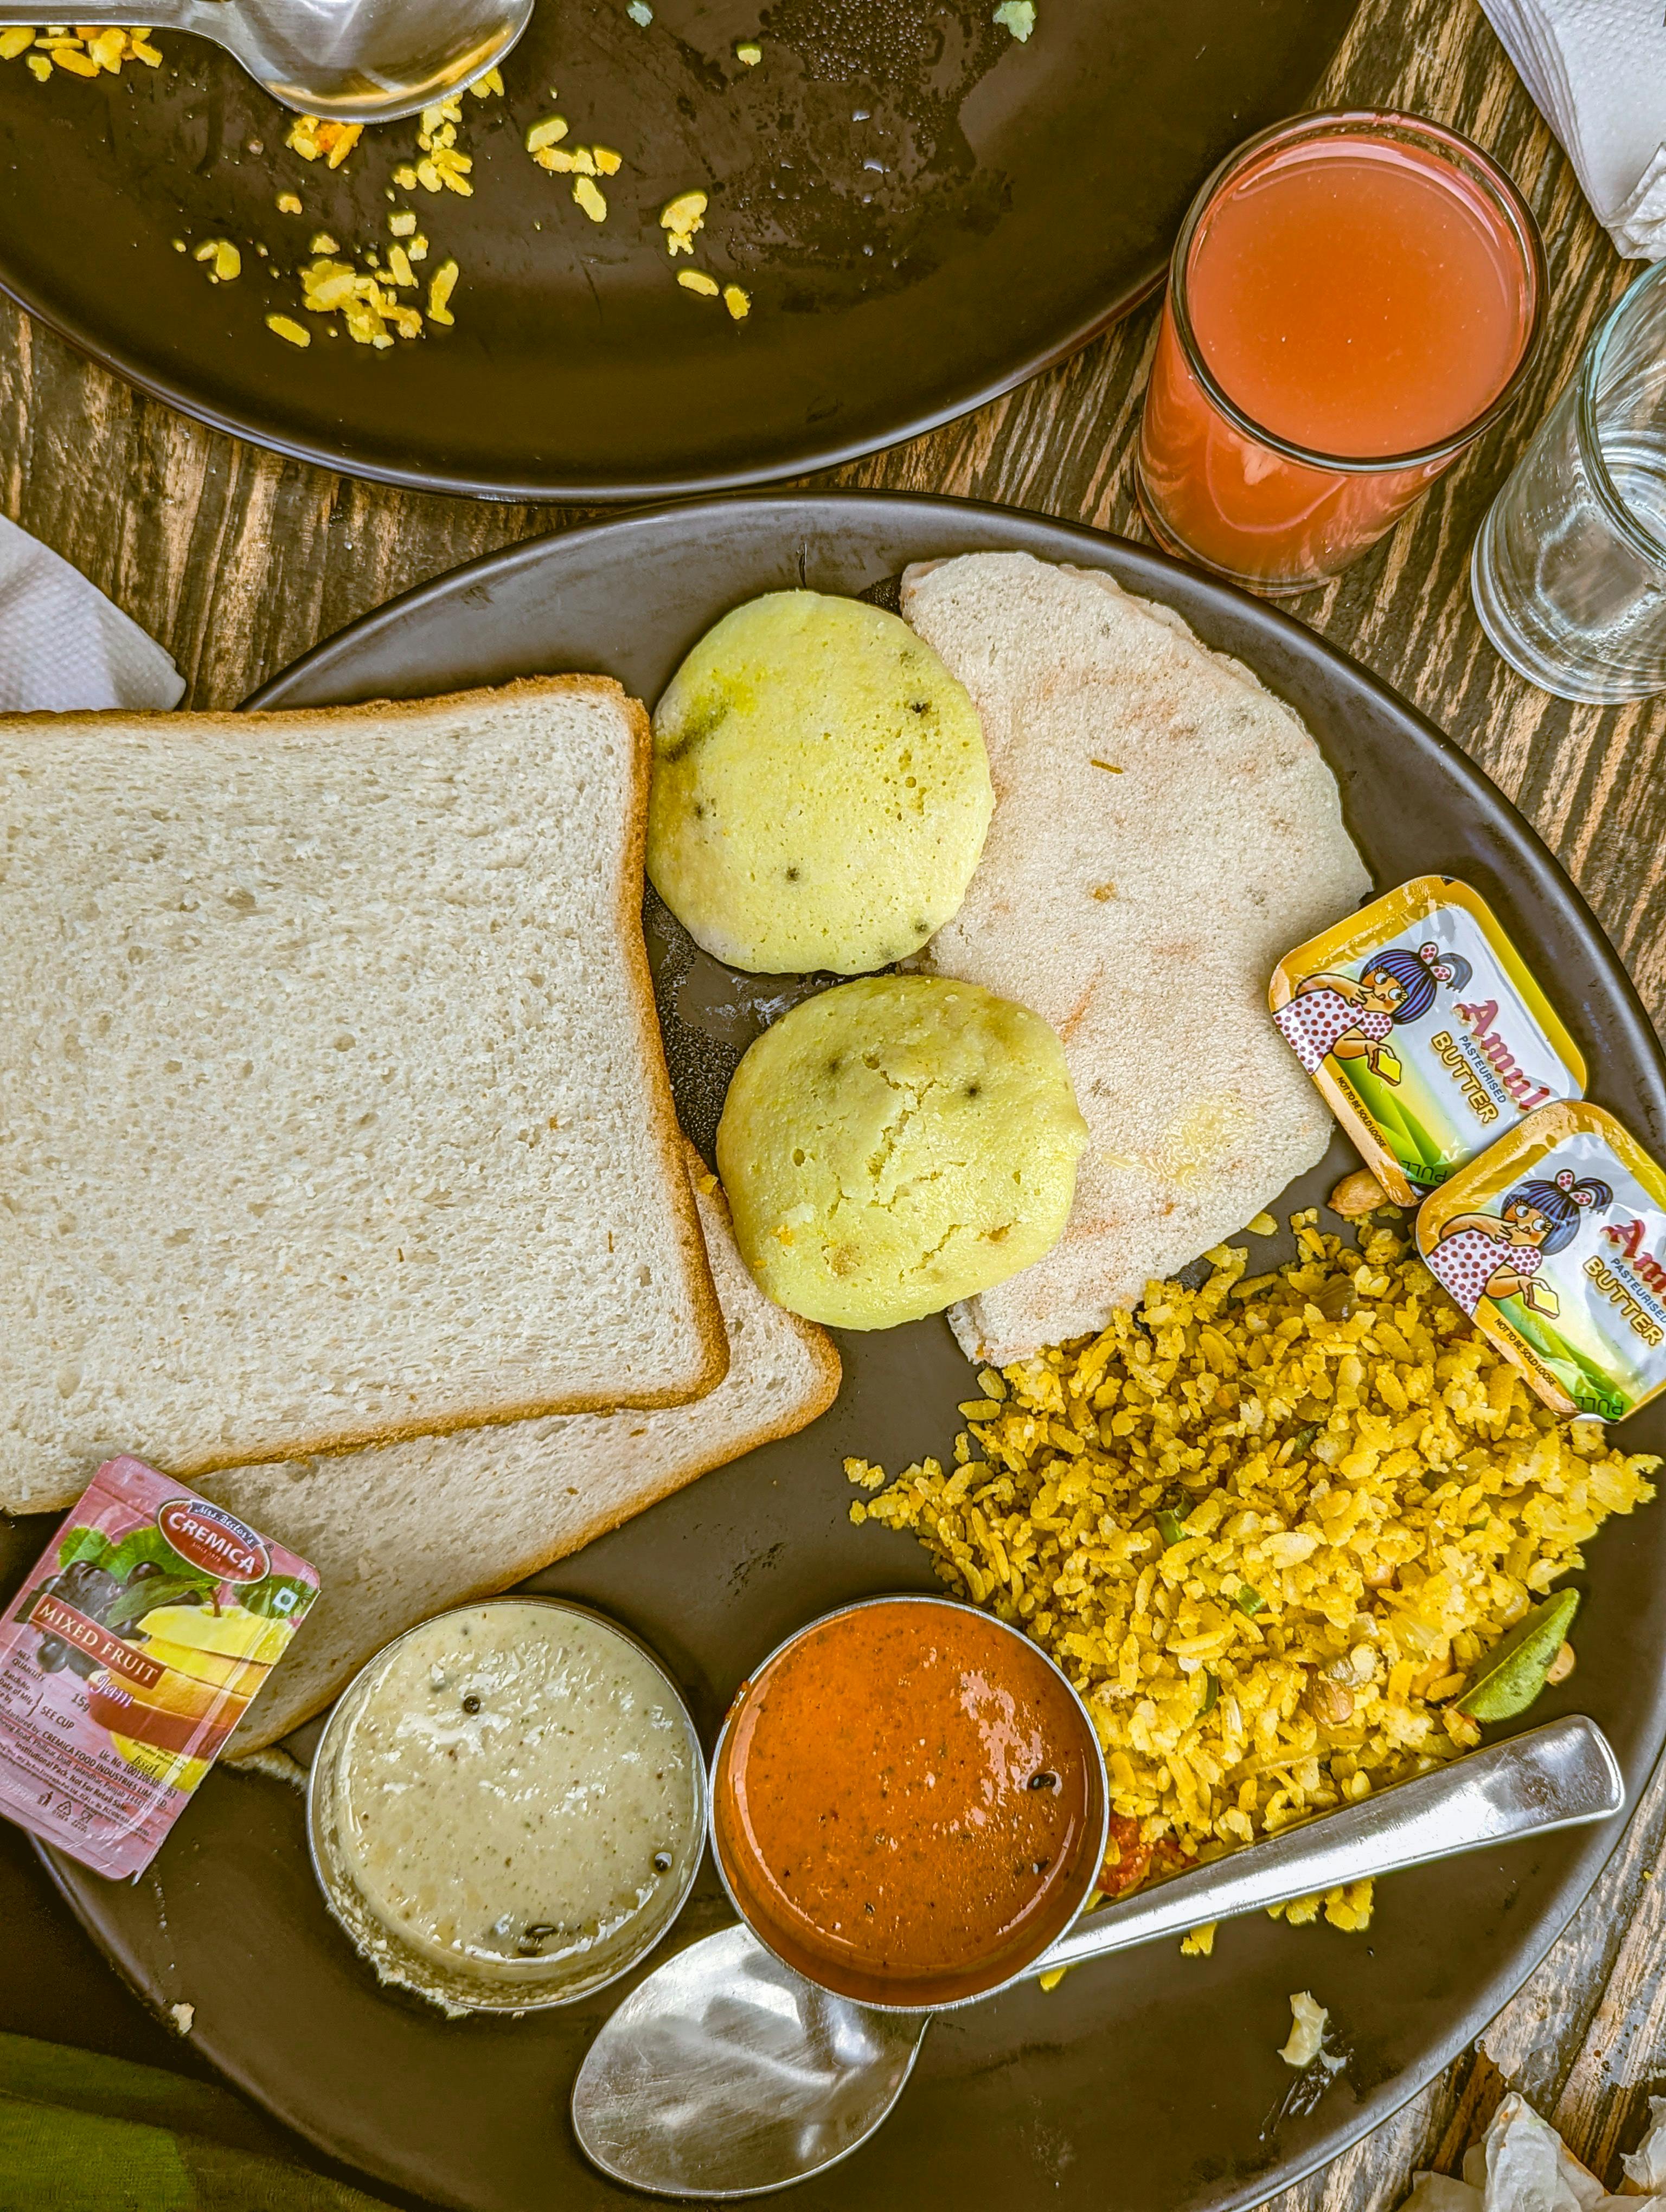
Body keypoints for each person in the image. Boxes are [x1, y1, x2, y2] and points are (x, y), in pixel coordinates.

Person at [1423, 1167, 1612, 1317]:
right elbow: (1446, 1231)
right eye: (1523, 1211)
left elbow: (1493, 1286)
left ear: (1554, 1238)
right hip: (1427, 1262)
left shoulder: (1527, 1255)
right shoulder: (1491, 1225)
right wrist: (1478, 1222)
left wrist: (1521, 1282)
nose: (1525, 1224)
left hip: (1460, 1299)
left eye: (1541, 1225)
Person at [1274, 941, 1472, 1083]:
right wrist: (1340, 984)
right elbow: (1303, 989)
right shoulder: (1348, 988)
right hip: (1282, 1019)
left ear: (1407, 1008)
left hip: (1303, 1058)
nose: (1381, 991)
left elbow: (1341, 1047)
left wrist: (1368, 1046)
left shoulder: (1379, 1022)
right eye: (1381, 978)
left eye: (1397, 995)